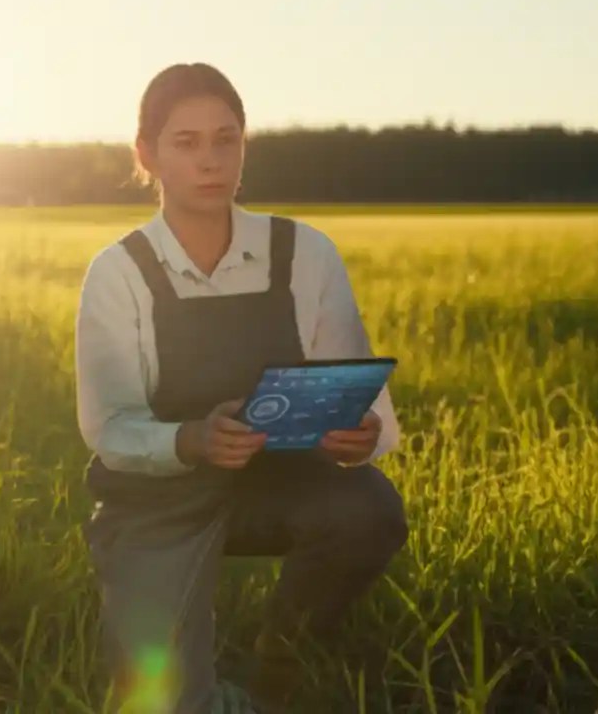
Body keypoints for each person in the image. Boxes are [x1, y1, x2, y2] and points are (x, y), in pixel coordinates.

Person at [73, 62, 409, 713]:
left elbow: (365, 407)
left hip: (280, 483)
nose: (211, 161)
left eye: (226, 139)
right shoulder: (119, 272)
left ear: (245, 144)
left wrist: (356, 439)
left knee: (368, 509)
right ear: (148, 155)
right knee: (163, 702)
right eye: (186, 142)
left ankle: (281, 662)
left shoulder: (304, 252)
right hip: (157, 500)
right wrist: (194, 440)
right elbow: (109, 428)